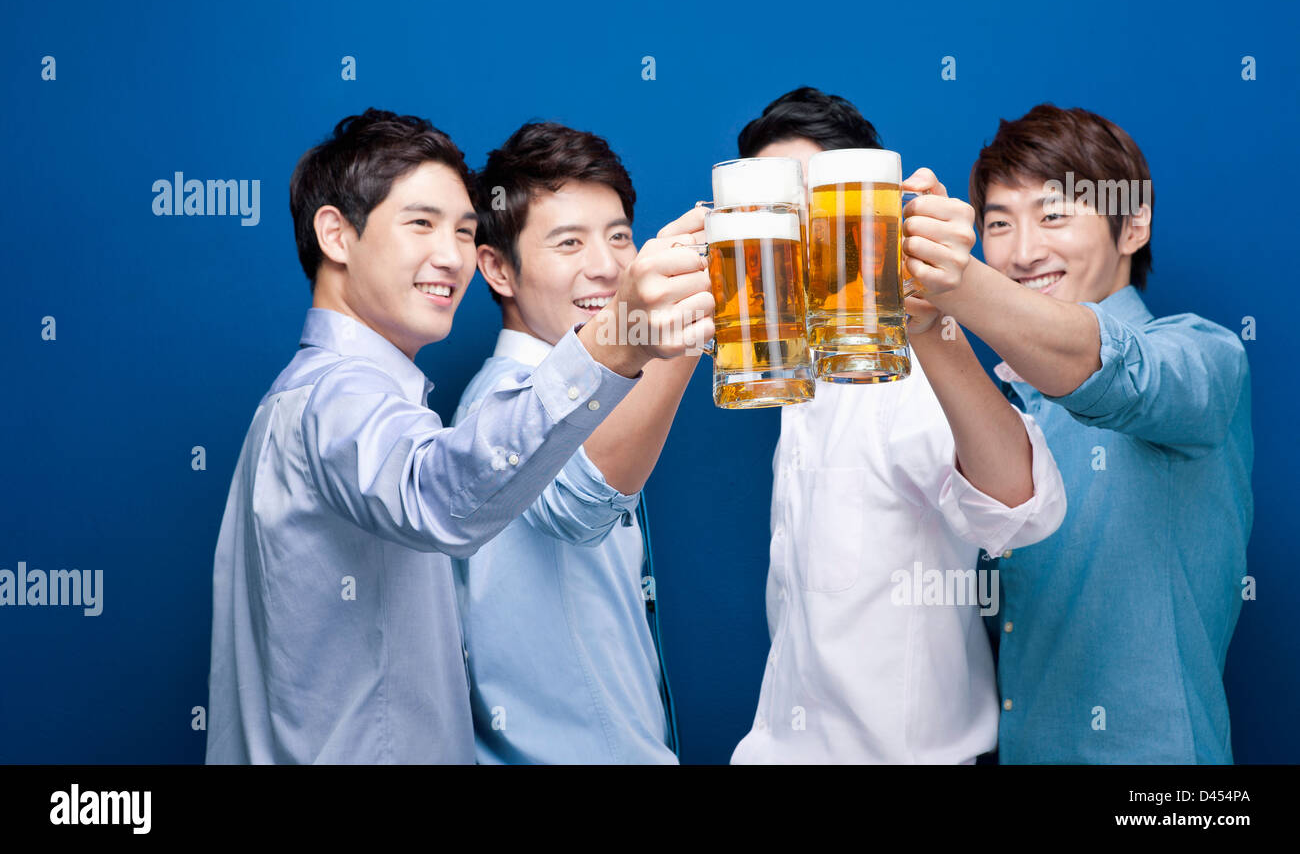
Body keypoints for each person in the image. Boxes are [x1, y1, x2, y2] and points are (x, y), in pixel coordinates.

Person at [205, 109, 713, 764]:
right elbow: (437, 493)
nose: (450, 258)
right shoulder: (337, 397)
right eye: (420, 224)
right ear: (336, 234)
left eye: (462, 230)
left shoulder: (318, 397)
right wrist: (626, 339)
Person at [729, 87, 1067, 764]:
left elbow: (1019, 512)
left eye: (805, 201)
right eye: (767, 203)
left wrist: (933, 323)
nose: (784, 225)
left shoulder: (903, 372)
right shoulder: (797, 379)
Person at [928, 104, 1252, 763]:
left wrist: (954, 279)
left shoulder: (1207, 359)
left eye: (1053, 215)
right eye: (997, 223)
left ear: (1132, 225)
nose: (1022, 252)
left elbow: (1107, 368)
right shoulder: (1008, 407)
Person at [452, 121, 698, 763]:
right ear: (498, 269)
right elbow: (581, 504)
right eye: (569, 243)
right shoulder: (500, 405)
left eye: (620, 237)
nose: (609, 266)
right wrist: (675, 331)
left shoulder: (602, 390)